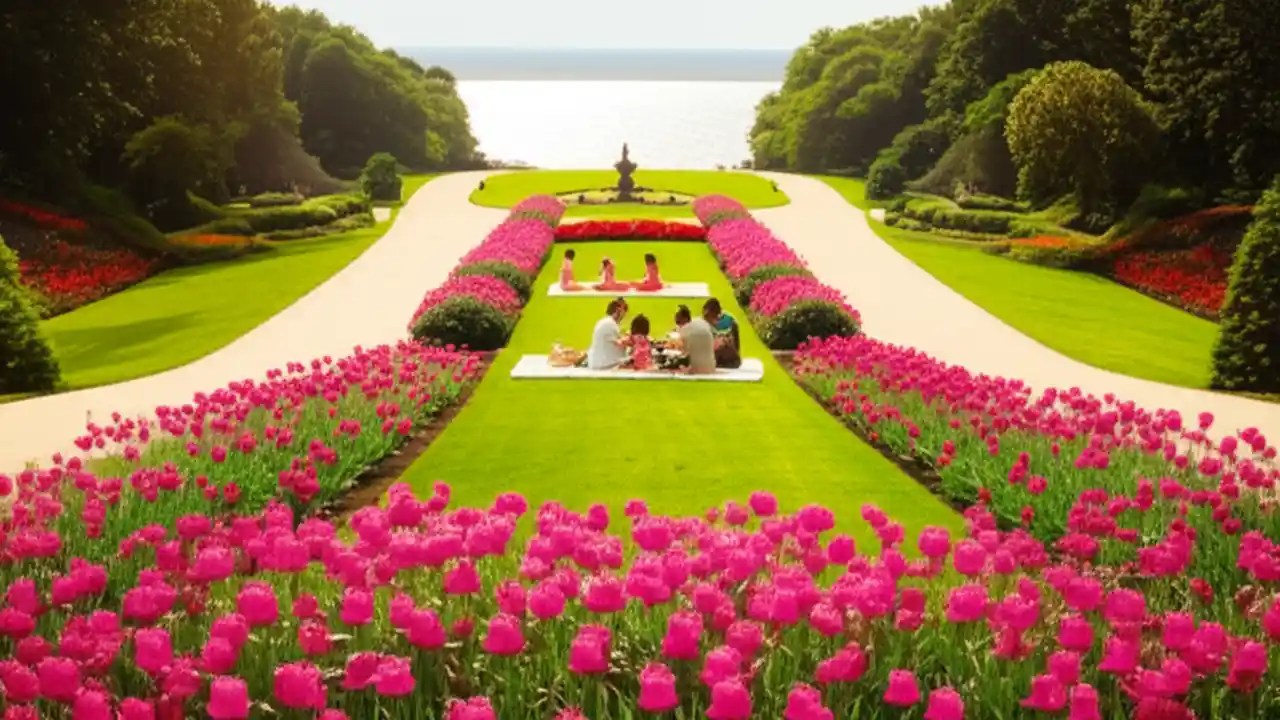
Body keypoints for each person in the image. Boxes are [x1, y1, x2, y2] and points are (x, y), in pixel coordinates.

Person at [672, 305, 716, 374]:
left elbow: (680, 351)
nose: (677, 325)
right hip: (711, 367)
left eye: (678, 322)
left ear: (685, 319)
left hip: (695, 369)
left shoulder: (685, 331)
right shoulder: (702, 322)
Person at [586, 298, 629, 369]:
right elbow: (622, 343)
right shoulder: (610, 324)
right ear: (618, 310)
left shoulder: (605, 322)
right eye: (624, 311)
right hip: (605, 364)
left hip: (598, 362)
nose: (624, 316)